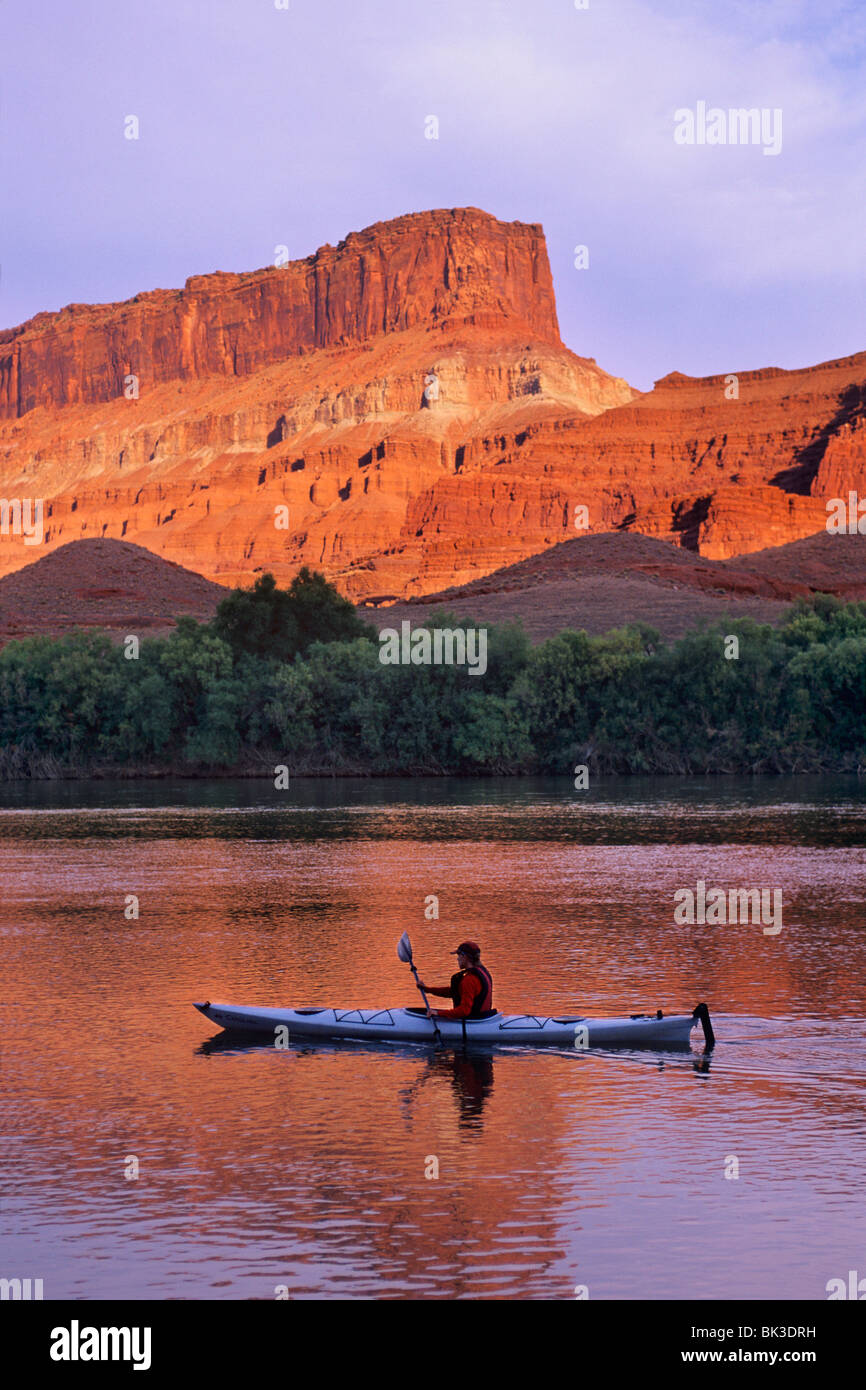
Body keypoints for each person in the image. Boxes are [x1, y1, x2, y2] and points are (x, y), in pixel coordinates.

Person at [418, 940, 494, 1019]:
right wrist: (427, 989)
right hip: (484, 1019)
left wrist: (438, 1013)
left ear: (465, 956)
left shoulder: (469, 980)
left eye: (458, 955)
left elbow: (464, 1011)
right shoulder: (483, 972)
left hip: (472, 1023)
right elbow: (454, 992)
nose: (457, 959)